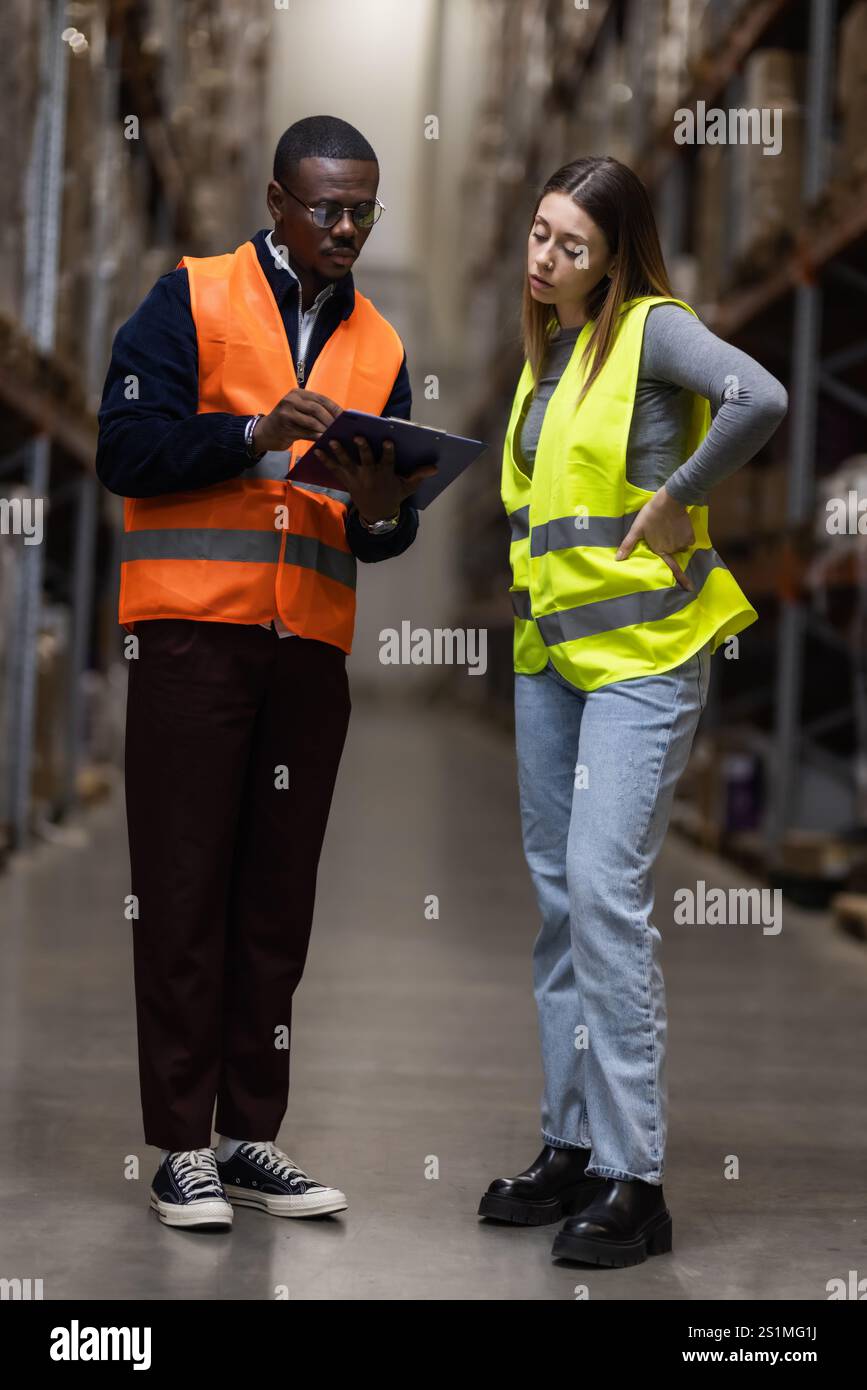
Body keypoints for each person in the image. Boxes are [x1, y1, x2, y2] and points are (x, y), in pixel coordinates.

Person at [96, 115, 433, 1231]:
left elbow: (378, 524)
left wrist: (387, 518)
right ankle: (180, 1145)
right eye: (327, 208)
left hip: (308, 656)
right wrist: (248, 433)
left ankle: (250, 1138)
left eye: (363, 210)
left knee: (275, 901)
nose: (346, 227)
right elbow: (124, 452)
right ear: (278, 203)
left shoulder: (380, 343)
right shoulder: (187, 298)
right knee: (184, 889)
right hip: (194, 639)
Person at [477, 155, 787, 1267]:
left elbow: (764, 395)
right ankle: (570, 1145)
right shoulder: (546, 356)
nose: (544, 257)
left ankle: (635, 1176)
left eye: (571, 246)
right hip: (552, 662)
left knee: (605, 894)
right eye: (539, 233)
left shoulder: (652, 331)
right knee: (560, 900)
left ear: (614, 259)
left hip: (645, 663)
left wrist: (679, 495)